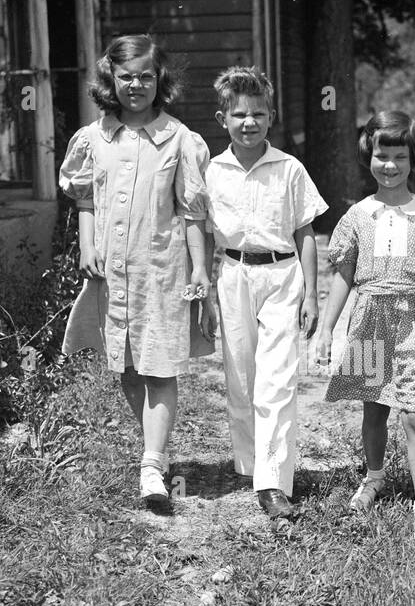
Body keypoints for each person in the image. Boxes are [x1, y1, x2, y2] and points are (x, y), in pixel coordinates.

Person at [60, 34, 214, 513]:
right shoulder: (94, 138)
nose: (136, 86)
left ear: (159, 80)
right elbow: (85, 198)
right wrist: (87, 246)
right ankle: (156, 450)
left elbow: (192, 213)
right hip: (113, 273)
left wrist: (201, 270)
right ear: (112, 80)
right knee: (126, 367)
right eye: (127, 77)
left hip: (162, 272)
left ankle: (151, 463)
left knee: (159, 366)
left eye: (146, 76)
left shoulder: (179, 139)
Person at [316, 111, 415, 539]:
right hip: (368, 319)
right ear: (370, 157)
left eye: (400, 156)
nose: (390, 165)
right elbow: (343, 274)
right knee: (374, 407)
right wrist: (326, 329)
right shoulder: (358, 216)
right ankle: (375, 477)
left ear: (414, 159)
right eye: (382, 155)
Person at [205, 66, 325, 520]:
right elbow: (198, 229)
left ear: (271, 117)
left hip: (281, 275)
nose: (249, 122)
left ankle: (273, 482)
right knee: (241, 377)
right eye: (239, 115)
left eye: (258, 113)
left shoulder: (289, 169)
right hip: (233, 274)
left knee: (276, 380)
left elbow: (306, 232)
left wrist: (311, 295)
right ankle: (249, 464)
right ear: (223, 120)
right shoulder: (212, 172)